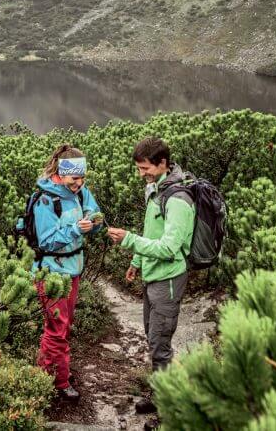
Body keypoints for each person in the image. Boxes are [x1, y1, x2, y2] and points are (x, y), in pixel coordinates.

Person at [106, 136, 194, 415]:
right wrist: (137, 261)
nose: (140, 174)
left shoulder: (177, 199)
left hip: (168, 279)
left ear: (163, 164)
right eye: (138, 168)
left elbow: (169, 248)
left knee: (160, 343)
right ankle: (161, 394)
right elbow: (152, 232)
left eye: (145, 168)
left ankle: (167, 403)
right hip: (153, 275)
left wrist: (129, 240)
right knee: (153, 336)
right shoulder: (156, 189)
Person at [32, 143, 103, 402]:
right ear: (60, 174)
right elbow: (46, 241)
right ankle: (58, 382)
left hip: (72, 271)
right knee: (56, 328)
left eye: (82, 178)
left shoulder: (81, 192)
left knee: (62, 327)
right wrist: (76, 229)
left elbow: (93, 215)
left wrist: (94, 223)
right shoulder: (46, 200)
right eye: (74, 178)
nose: (79, 183)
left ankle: (50, 372)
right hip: (51, 274)